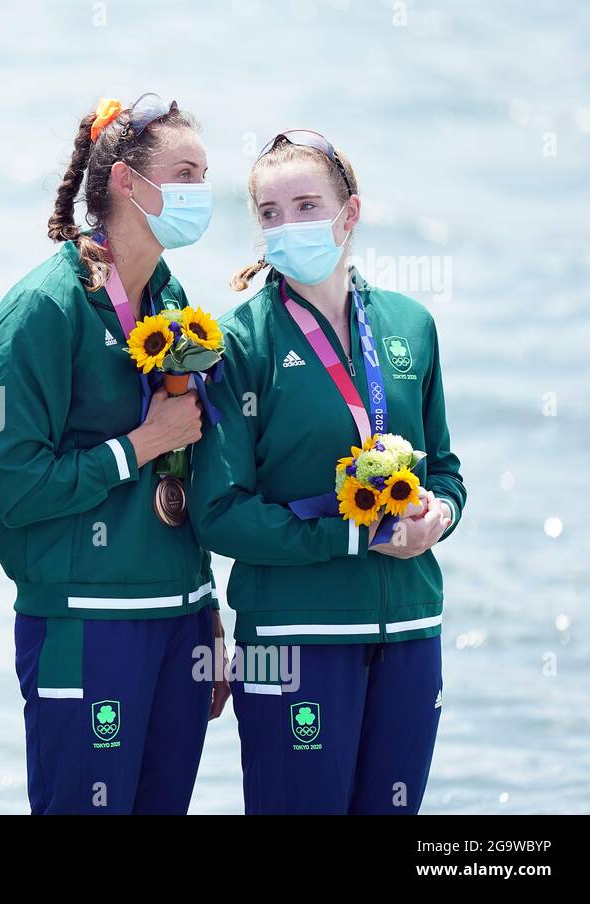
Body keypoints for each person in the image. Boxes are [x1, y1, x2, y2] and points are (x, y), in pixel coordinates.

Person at [188, 129, 466, 814]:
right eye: (270, 213)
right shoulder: (237, 342)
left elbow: (449, 471)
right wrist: (351, 537)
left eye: (307, 206)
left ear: (350, 214)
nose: (288, 226)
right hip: (289, 638)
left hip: (408, 627)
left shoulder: (411, 326)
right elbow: (219, 513)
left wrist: (441, 517)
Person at [0, 95, 228, 815]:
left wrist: (206, 608)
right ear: (125, 181)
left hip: (177, 618)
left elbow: (183, 471)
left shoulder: (170, 293)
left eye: (205, 174)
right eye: (185, 173)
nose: (201, 193)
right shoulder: (42, 309)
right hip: (87, 621)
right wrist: (140, 444)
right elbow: (21, 489)